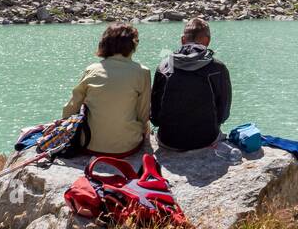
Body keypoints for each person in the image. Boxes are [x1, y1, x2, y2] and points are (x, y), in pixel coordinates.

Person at [62, 22, 151, 156]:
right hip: (127, 146)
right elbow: (143, 114)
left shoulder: (92, 70)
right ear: (132, 45)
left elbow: (71, 108)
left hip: (89, 144)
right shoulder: (142, 72)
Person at [151, 17, 233, 150]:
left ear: (183, 39)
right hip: (206, 140)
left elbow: (155, 114)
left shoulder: (164, 66)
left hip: (169, 140)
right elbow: (223, 112)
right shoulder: (218, 68)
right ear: (207, 41)